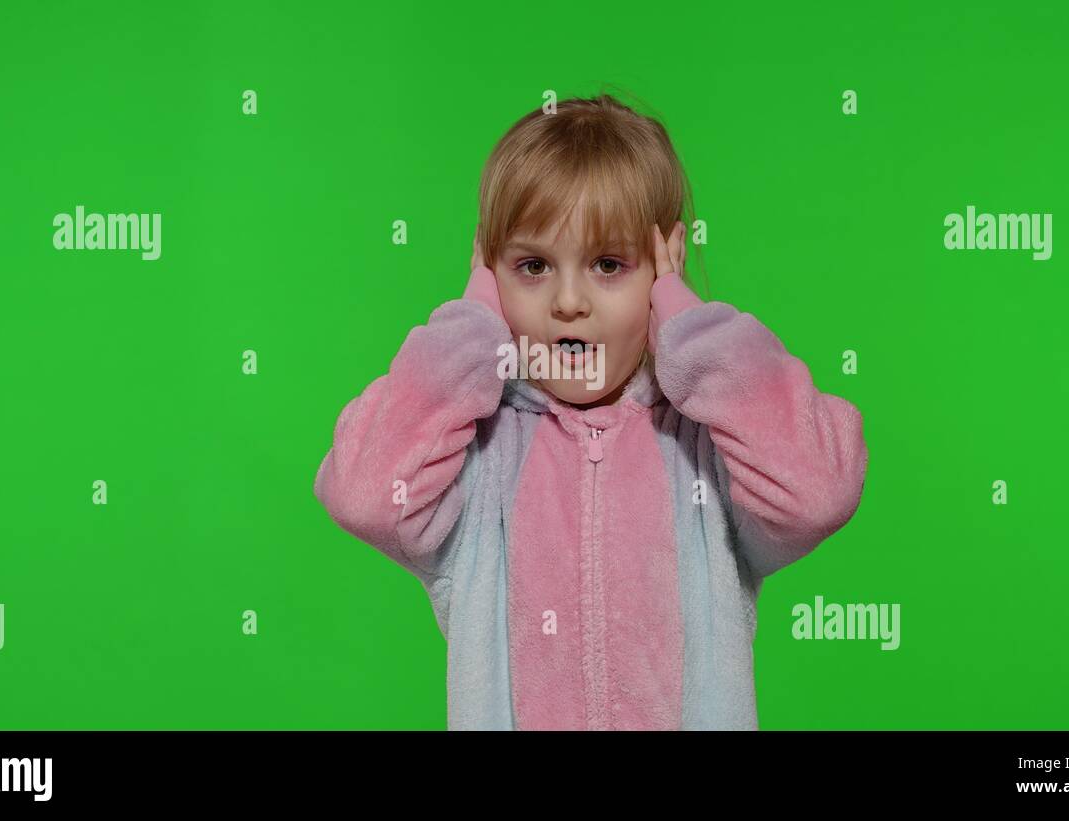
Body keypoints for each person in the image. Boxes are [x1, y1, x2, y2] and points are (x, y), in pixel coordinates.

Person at [313, 94, 869, 729]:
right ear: (491, 276)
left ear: (667, 265)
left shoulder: (709, 450)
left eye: (609, 265)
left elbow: (819, 491)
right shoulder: (477, 458)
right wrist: (467, 331)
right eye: (532, 266)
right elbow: (363, 494)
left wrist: (690, 326)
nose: (568, 301)